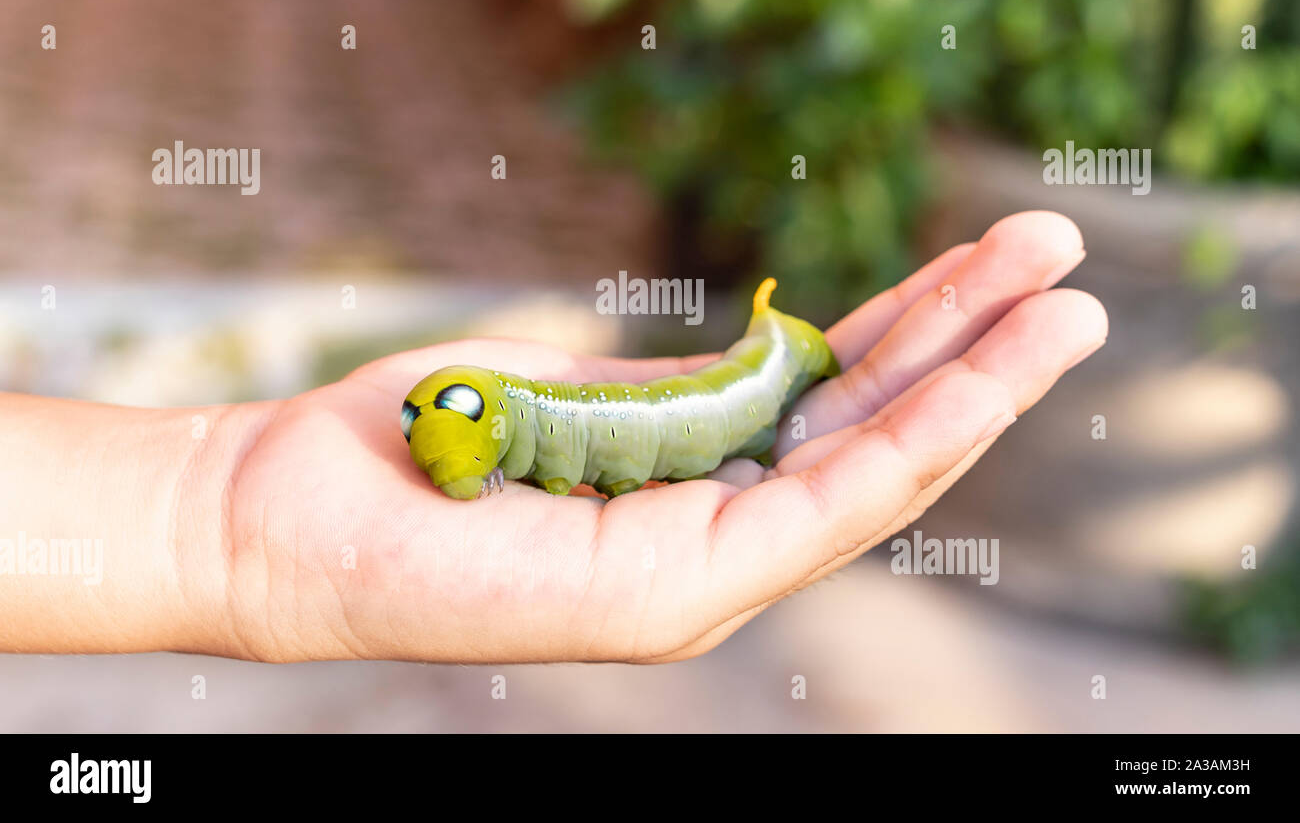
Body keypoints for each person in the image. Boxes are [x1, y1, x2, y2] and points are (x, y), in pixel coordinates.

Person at [0, 211, 1104, 664]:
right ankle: (774, 345)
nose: (449, 477)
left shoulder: (534, 424)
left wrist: (213, 506)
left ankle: (779, 349)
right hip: (667, 411)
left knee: (709, 404)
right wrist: (221, 512)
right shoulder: (496, 420)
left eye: (452, 455)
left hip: (721, 400)